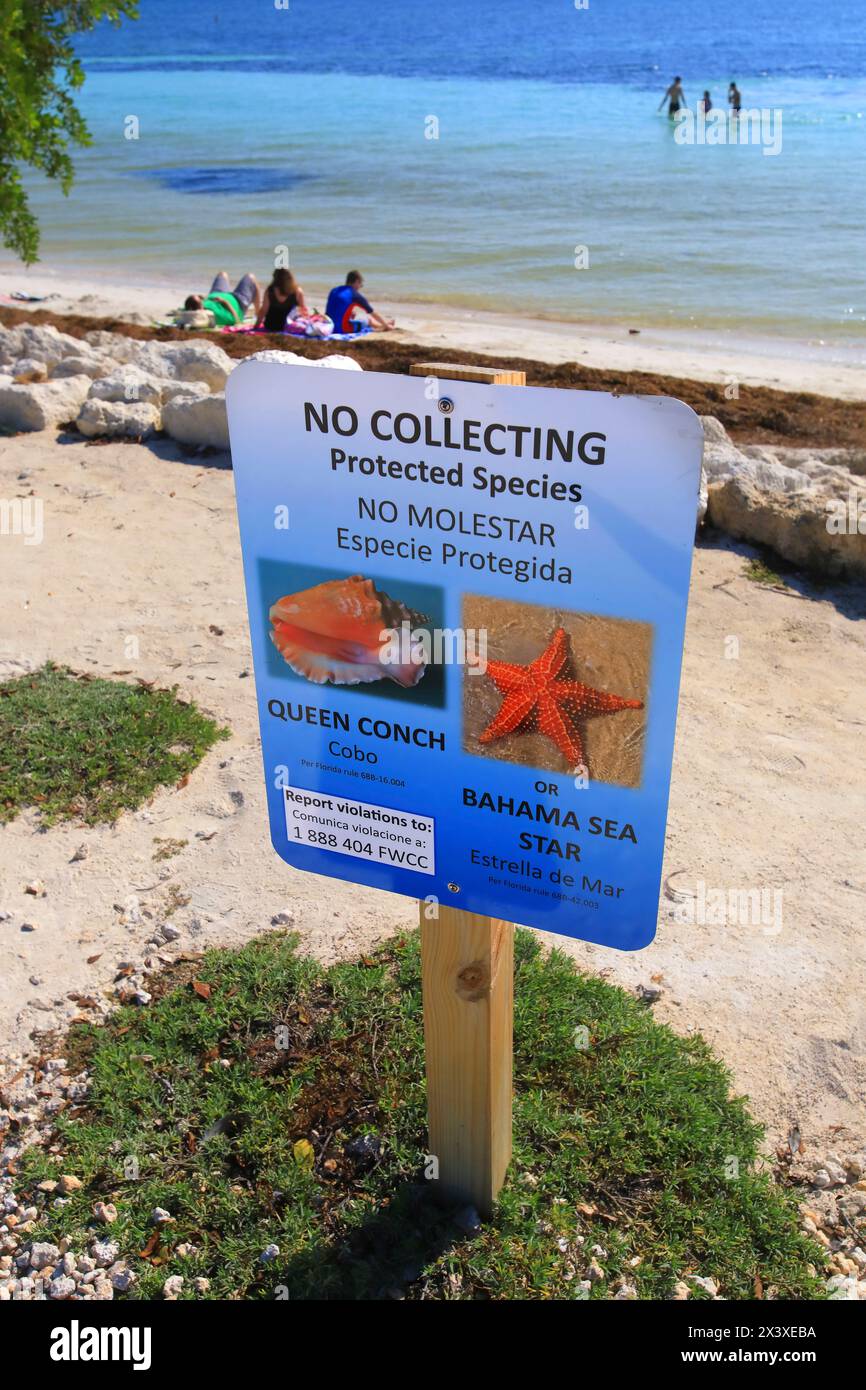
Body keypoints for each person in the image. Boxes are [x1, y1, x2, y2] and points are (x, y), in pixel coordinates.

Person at [325, 271, 395, 334]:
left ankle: (383, 325)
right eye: (361, 284)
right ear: (357, 281)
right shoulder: (354, 294)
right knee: (366, 321)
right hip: (340, 329)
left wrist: (349, 314)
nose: (360, 287)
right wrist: (387, 327)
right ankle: (385, 326)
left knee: (353, 316)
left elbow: (334, 309)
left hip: (328, 326)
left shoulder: (334, 290)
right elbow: (372, 312)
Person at [184, 271, 261, 327]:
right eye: (200, 301)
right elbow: (236, 320)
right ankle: (258, 313)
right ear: (200, 308)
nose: (201, 300)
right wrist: (225, 302)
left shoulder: (195, 307)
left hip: (217, 293)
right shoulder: (215, 315)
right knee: (251, 277)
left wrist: (205, 298)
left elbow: (186, 310)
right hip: (238, 301)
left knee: (222, 274)